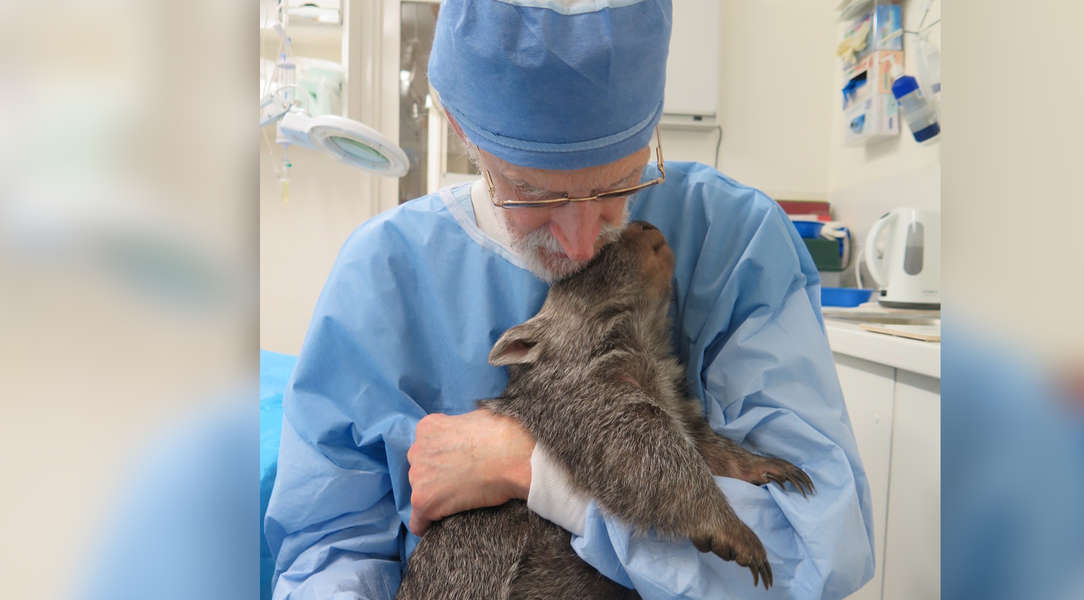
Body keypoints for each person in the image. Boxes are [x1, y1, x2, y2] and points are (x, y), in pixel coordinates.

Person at [264, 1, 874, 598]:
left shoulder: (732, 238)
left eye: (619, 183)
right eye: (533, 192)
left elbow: (813, 552)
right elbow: (332, 547)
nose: (583, 244)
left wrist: (532, 467)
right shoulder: (386, 269)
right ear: (460, 128)